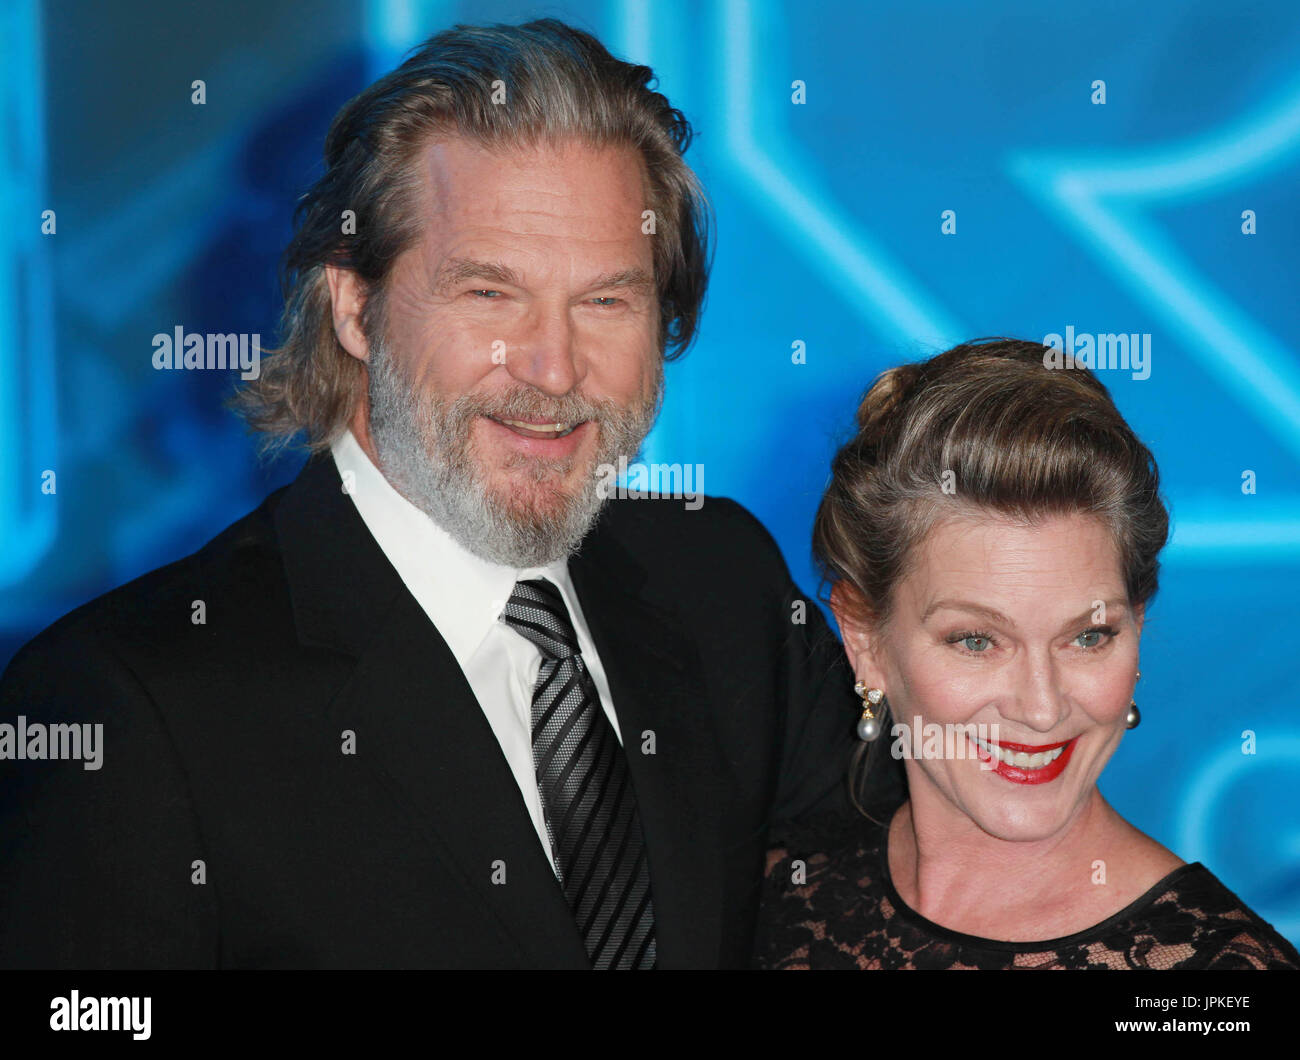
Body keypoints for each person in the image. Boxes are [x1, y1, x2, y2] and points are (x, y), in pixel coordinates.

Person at [0, 19, 900, 969]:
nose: (554, 370)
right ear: (355, 309)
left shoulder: (725, 586)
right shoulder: (127, 700)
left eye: (607, 299)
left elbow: (924, 900)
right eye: (489, 295)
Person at [754, 338, 1300, 970]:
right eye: (978, 641)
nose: (1041, 708)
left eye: (1087, 637)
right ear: (864, 641)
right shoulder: (774, 895)